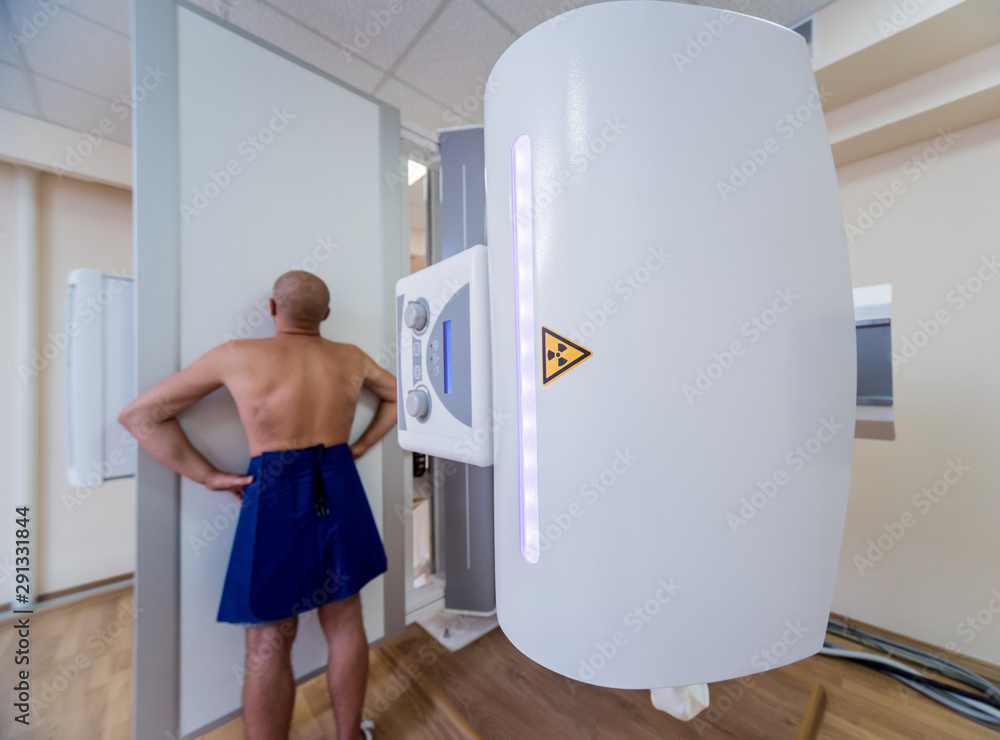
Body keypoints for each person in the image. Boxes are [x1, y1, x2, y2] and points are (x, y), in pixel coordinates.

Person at [119, 270, 398, 740]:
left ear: (272, 309)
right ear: (326, 316)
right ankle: (351, 735)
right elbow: (400, 397)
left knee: (269, 636)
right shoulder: (350, 358)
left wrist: (207, 475)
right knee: (346, 617)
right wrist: (363, 445)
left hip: (275, 488)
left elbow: (140, 416)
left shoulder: (237, 356)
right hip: (339, 479)